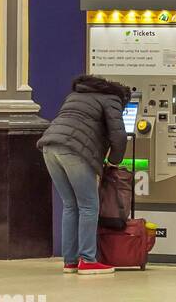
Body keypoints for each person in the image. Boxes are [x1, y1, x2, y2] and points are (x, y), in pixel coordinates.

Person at [37, 75, 130, 275]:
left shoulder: (76, 95)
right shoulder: (112, 99)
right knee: (89, 206)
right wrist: (114, 161)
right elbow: (119, 135)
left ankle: (70, 261)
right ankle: (88, 260)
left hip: (50, 147)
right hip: (74, 151)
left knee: (70, 205)